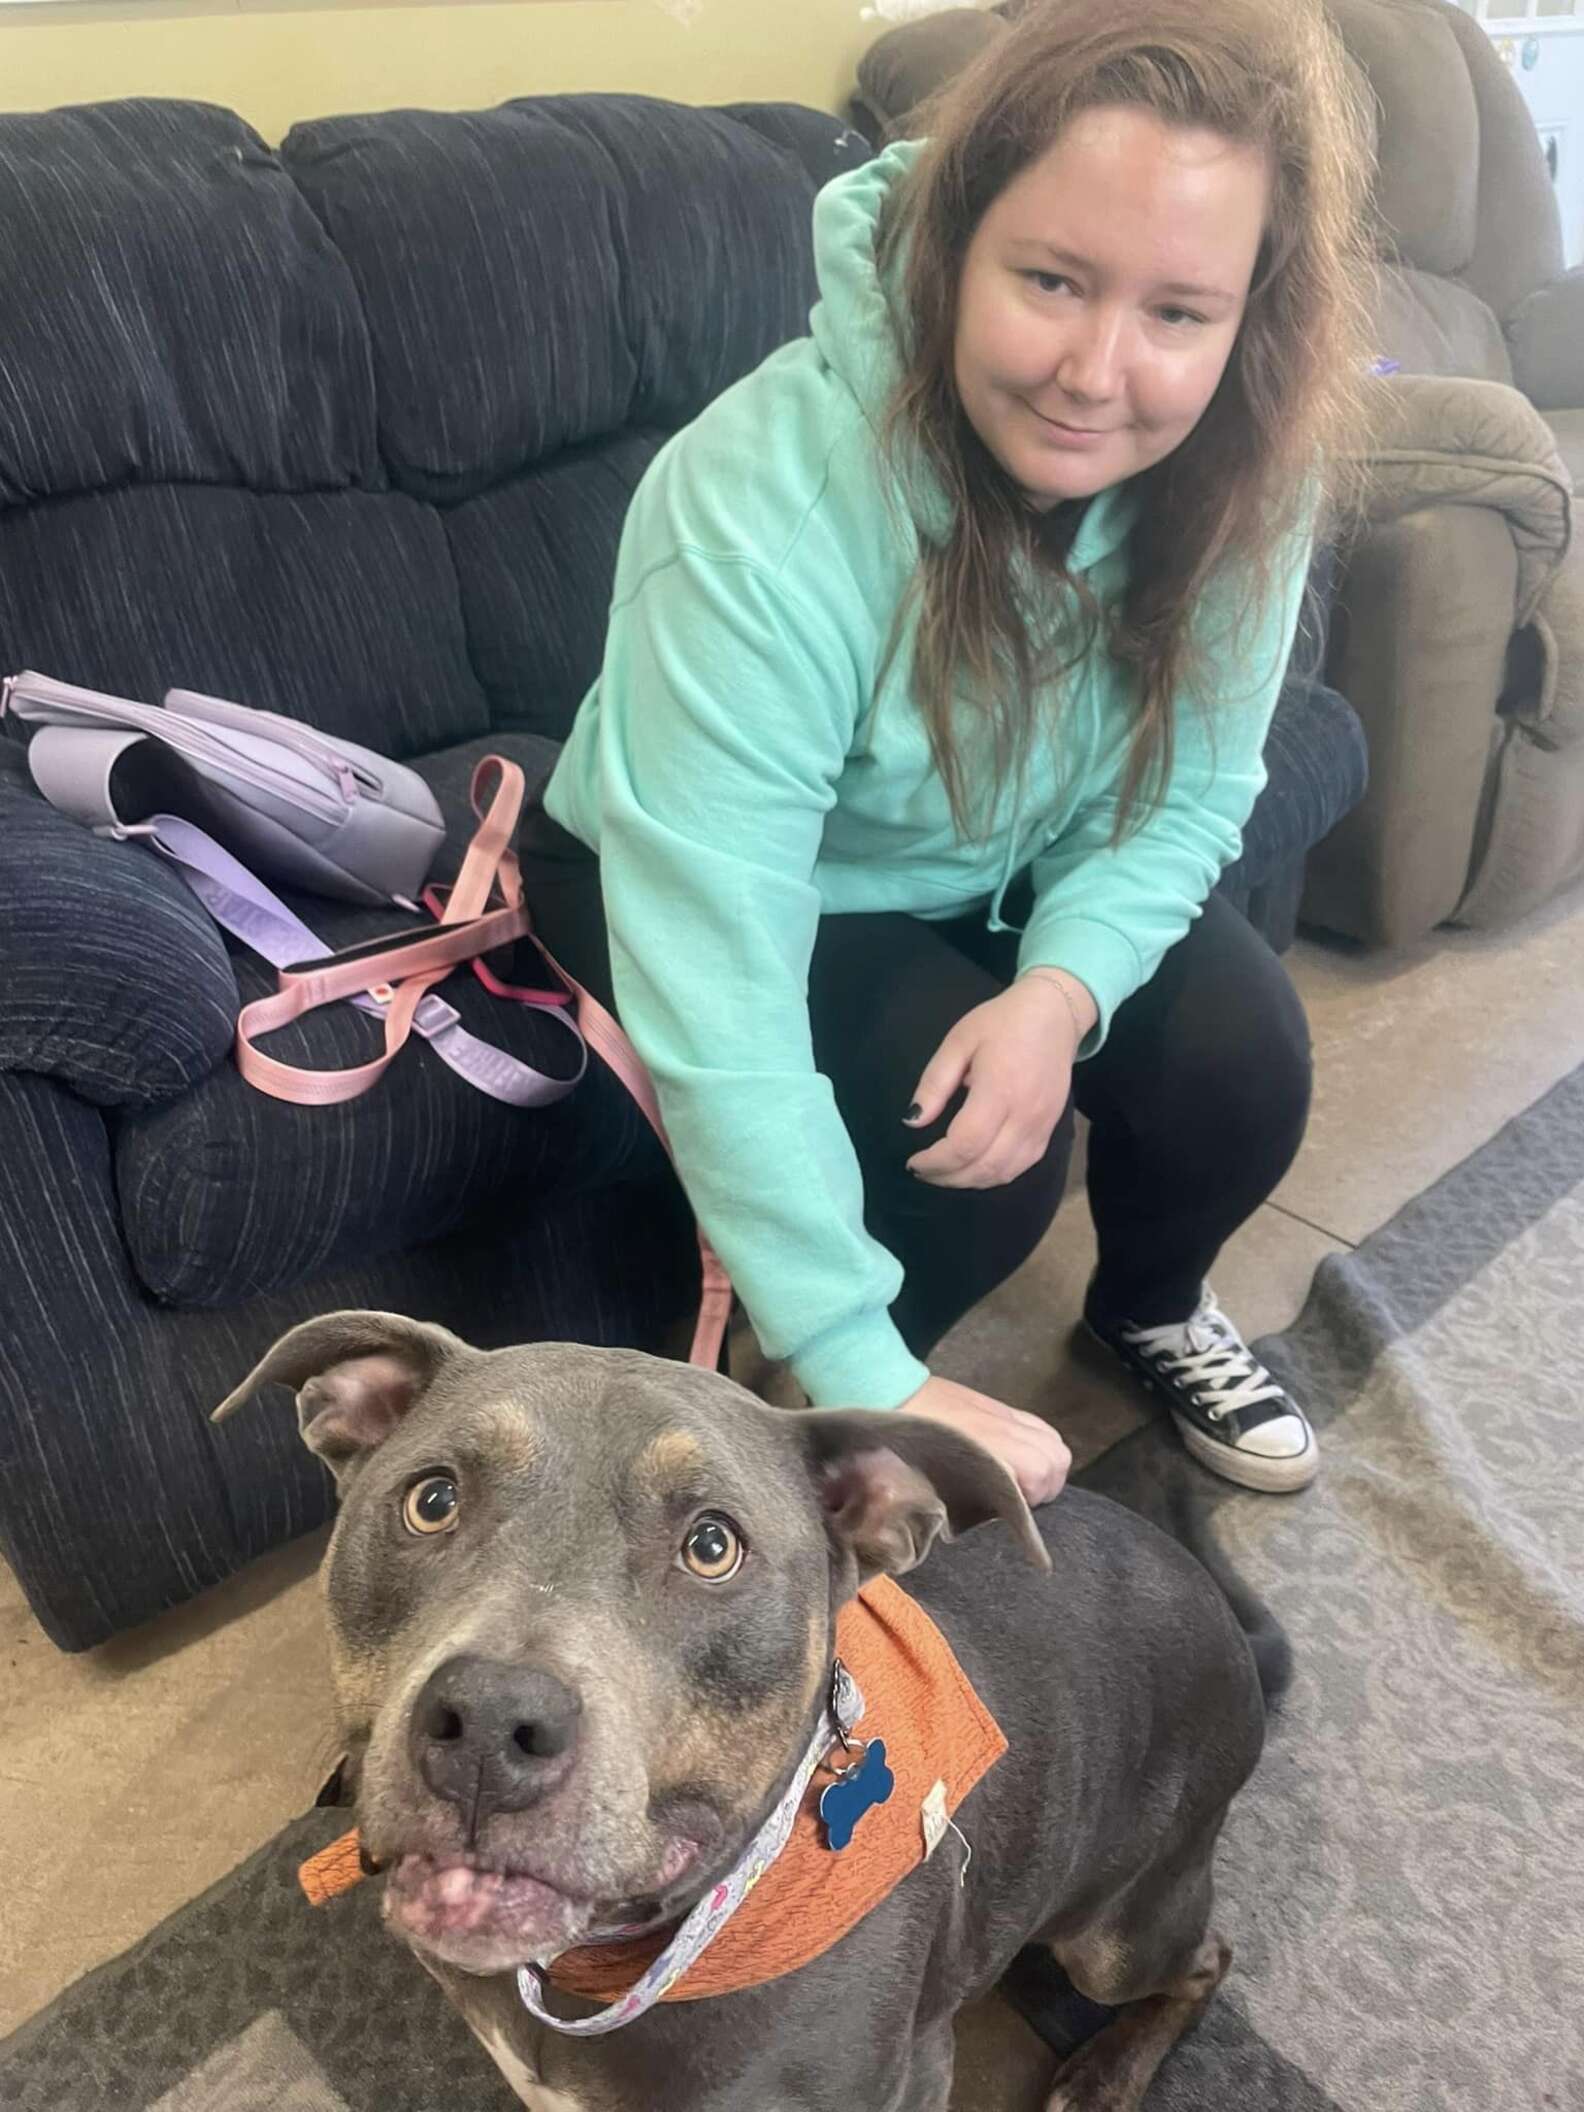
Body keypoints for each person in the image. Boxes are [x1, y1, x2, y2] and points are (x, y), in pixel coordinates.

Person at [522, 0, 1377, 1505]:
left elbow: (1188, 797)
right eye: (1053, 280)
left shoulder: (1249, 476)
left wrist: (1056, 994)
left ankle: (1151, 1308)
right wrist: (869, 1370)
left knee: (1244, 1060)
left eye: (1179, 313)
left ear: (1252, 320)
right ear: (952, 242)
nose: (1098, 373)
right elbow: (717, 976)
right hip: (689, 874)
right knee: (965, 1158)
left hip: (983, 850)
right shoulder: (756, 512)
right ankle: (815, 1439)